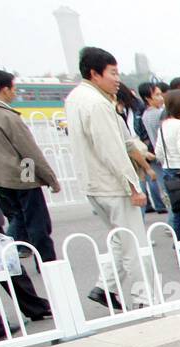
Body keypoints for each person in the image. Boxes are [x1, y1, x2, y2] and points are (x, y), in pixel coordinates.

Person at [64, 47, 150, 309]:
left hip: (93, 184)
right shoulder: (98, 104)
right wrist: (133, 186)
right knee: (134, 245)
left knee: (118, 240)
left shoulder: (75, 98)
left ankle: (105, 287)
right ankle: (145, 300)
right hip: (113, 186)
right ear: (94, 73)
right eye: (113, 73)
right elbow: (112, 151)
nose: (117, 79)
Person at [0, 70, 61, 264]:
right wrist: (50, 178)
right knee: (35, 221)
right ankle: (46, 261)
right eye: (14, 88)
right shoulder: (8, 116)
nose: (15, 92)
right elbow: (29, 152)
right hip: (22, 175)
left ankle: (14, 251)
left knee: (17, 217)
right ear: (5, 89)